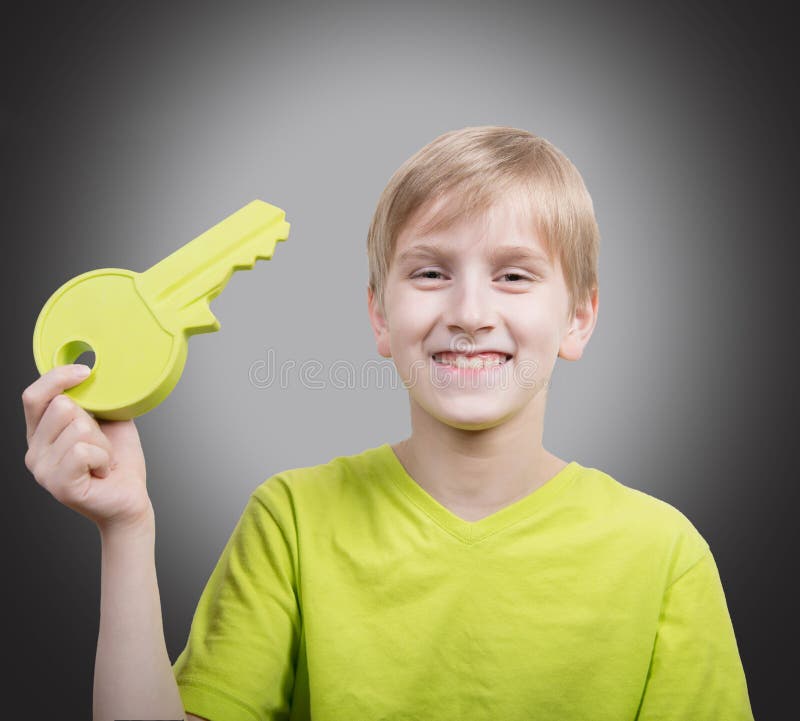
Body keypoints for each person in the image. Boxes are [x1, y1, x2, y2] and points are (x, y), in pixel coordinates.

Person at [22, 126, 754, 721]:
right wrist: (126, 528)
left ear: (580, 316)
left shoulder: (665, 555)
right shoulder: (292, 520)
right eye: (430, 272)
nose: (469, 313)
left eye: (514, 274)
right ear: (380, 314)